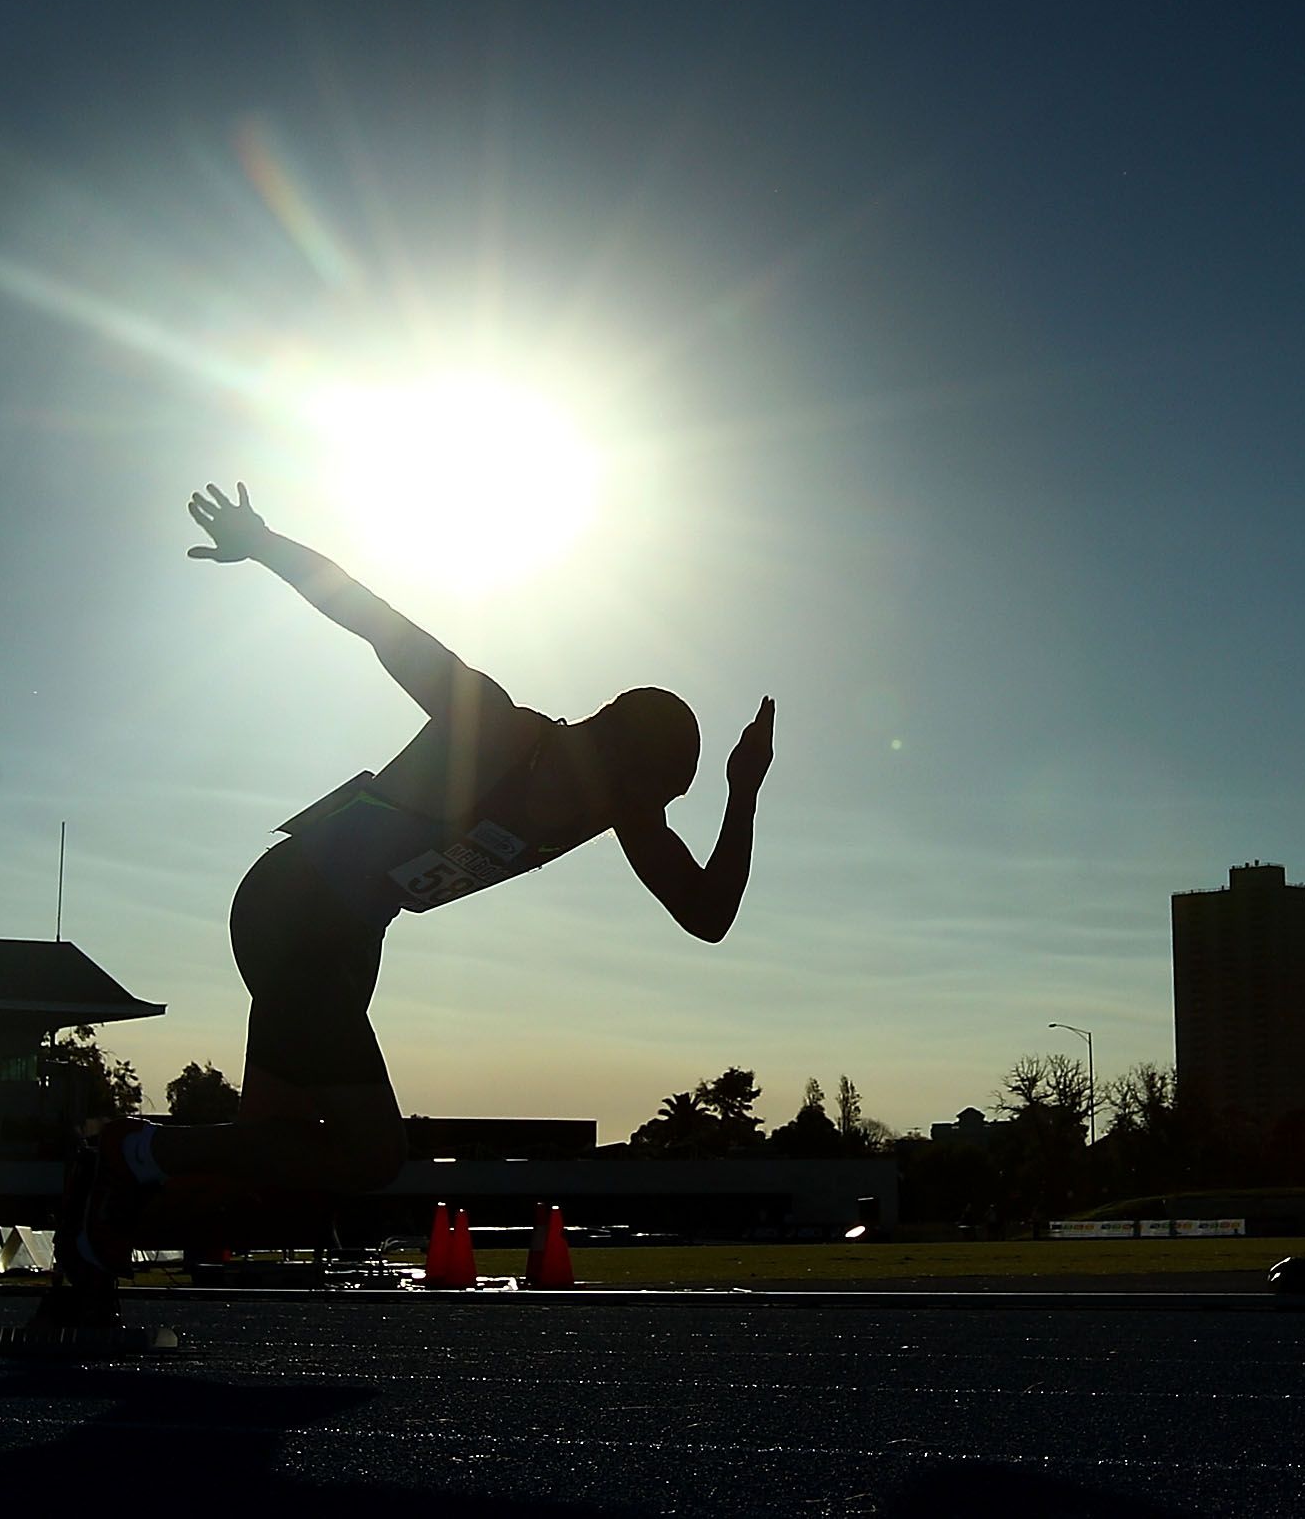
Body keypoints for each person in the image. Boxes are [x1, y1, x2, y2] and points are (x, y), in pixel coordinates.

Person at [59, 484, 774, 1286]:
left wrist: (742, 796)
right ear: (599, 744)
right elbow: (376, 621)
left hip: (351, 943)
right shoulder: (495, 728)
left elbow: (706, 916)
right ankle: (129, 1151)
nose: (634, 823)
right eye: (638, 802)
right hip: (294, 906)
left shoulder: (614, 811)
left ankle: (102, 1230)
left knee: (269, 1166)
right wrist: (263, 544)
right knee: (371, 1153)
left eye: (651, 812)